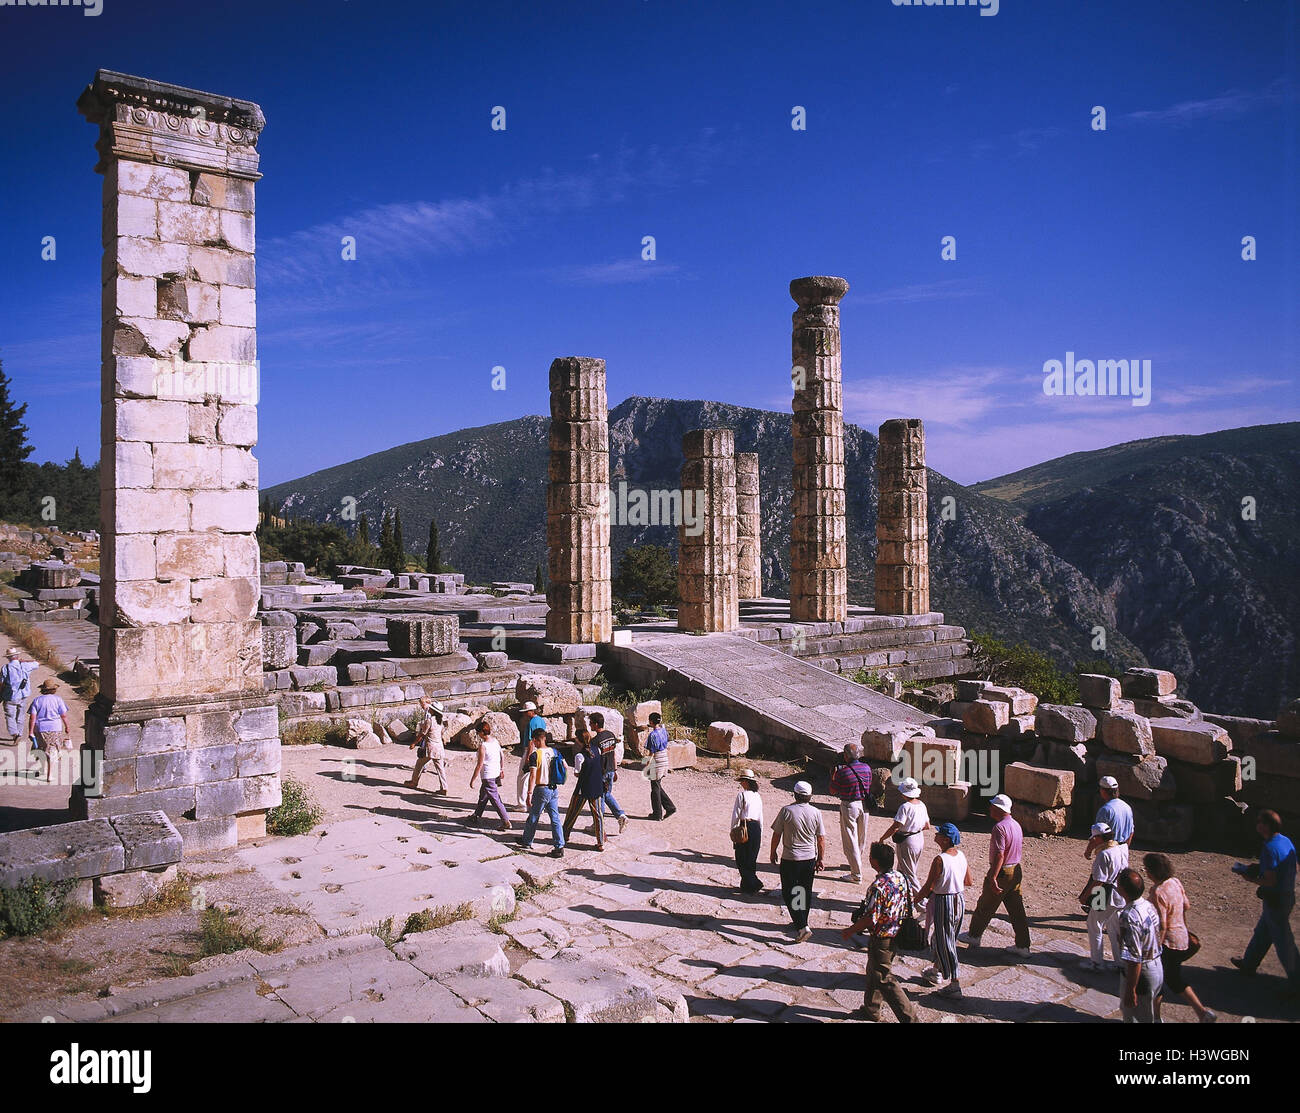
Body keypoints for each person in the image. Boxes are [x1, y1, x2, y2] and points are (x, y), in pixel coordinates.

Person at [840, 841, 917, 1023]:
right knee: (873, 969)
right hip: (897, 932)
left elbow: (870, 918)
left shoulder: (878, 886)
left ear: (874, 861)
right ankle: (872, 1009)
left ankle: (910, 1018)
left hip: (882, 936)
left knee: (884, 978)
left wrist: (850, 931)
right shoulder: (901, 877)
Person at [1230, 809, 1299, 998]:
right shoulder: (1285, 840)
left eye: (1260, 822)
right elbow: (1292, 866)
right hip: (1285, 896)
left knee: (1284, 944)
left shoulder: (1269, 848)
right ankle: (1249, 964)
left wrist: (1249, 877)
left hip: (1275, 899)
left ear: (1266, 826)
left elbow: (1270, 880)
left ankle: (1296, 982)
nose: (1257, 825)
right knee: (1263, 931)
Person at [1144, 852, 1216, 1022]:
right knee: (1175, 979)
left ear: (1153, 872)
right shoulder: (1175, 882)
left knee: (1157, 981)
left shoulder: (1157, 892)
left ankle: (1156, 1018)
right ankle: (1202, 1012)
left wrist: (1155, 949)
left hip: (1167, 942)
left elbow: (1162, 924)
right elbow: (1186, 905)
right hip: (1182, 937)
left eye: (1147, 869)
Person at [963, 794, 1031, 955]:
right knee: (1016, 910)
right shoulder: (1016, 825)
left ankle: (974, 935)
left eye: (992, 807)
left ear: (999, 809)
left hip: (1002, 871)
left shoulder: (999, 828)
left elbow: (1000, 854)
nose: (989, 809)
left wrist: (993, 876)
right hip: (1015, 869)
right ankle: (1023, 945)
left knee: (985, 905)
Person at [913, 822, 972, 998]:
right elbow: (969, 881)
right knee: (944, 937)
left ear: (945, 840)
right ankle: (937, 970)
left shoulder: (940, 860)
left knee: (946, 942)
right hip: (959, 900)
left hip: (944, 901)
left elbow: (929, 886)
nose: (936, 834)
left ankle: (955, 983)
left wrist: (913, 901)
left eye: (939, 834)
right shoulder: (961, 855)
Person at [769, 780, 825, 942]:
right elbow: (821, 838)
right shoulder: (816, 812)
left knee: (789, 892)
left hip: (790, 857)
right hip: (809, 858)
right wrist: (820, 858)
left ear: (795, 794)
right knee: (804, 891)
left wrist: (773, 852)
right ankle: (802, 921)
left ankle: (802, 926)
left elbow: (777, 834)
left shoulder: (786, 811)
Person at [1115, 867, 1163, 1023]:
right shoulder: (1148, 905)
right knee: (1150, 1015)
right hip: (1156, 964)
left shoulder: (1129, 917)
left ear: (1122, 889)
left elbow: (1134, 958)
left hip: (1141, 972)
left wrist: (1131, 990)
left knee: (1135, 1016)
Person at [1079, 821, 1127, 970]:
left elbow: (1099, 880)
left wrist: (1085, 896)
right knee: (1114, 928)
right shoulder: (1122, 848)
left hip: (1103, 893)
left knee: (1094, 924)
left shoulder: (1104, 854)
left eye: (1094, 838)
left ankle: (1097, 962)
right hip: (1121, 892)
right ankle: (1121, 962)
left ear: (1099, 838)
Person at [518, 728, 566, 859]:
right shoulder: (555, 751)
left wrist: (529, 793)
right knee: (555, 818)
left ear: (535, 740)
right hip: (553, 788)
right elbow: (565, 766)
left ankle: (527, 841)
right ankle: (559, 845)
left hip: (541, 788)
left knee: (533, 816)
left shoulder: (535, 755)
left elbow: (533, 776)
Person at [829, 742, 873, 883]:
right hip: (865, 805)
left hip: (850, 805)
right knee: (861, 837)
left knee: (850, 839)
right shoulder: (867, 768)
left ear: (846, 756)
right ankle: (856, 862)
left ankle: (856, 874)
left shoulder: (843, 772)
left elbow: (833, 790)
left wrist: (834, 776)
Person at [880, 777, 931, 898]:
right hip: (919, 838)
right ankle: (900, 897)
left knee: (909, 873)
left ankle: (922, 905)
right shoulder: (921, 805)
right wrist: (914, 828)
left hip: (907, 841)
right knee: (902, 870)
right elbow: (927, 825)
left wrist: (882, 838)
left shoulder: (905, 807)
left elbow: (895, 827)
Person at [463, 719, 511, 831]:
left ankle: (505, 821)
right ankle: (476, 815)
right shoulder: (495, 741)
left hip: (487, 775)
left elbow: (479, 764)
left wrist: (473, 779)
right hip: (495, 773)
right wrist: (501, 769)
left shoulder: (483, 746)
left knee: (495, 799)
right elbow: (502, 756)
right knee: (483, 796)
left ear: (481, 733)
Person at [562, 729, 606, 850]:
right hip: (596, 786)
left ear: (578, 740)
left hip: (583, 787)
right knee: (598, 814)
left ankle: (564, 834)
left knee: (572, 812)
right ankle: (601, 841)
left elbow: (577, 773)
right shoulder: (597, 749)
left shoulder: (579, 756)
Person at [590, 712, 628, 834]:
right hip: (611, 769)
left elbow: (595, 760)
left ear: (596, 724)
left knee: (600, 798)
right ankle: (620, 815)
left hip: (601, 772)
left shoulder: (595, 741)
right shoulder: (610, 735)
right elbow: (613, 753)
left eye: (591, 723)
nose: (589, 725)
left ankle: (598, 825)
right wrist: (615, 769)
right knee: (606, 795)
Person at [28, 678, 72, 784]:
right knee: (52, 751)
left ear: (43, 689)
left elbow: (32, 717)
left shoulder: (37, 700)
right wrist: (67, 726)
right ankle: (50, 775)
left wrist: (30, 731)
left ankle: (43, 769)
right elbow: (64, 715)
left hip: (40, 728)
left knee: (42, 749)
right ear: (54, 690)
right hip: (55, 728)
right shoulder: (58, 699)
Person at [731, 769, 764, 894]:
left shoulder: (742, 795)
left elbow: (736, 814)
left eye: (742, 781)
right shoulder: (758, 796)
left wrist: (733, 829)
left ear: (745, 782)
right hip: (756, 827)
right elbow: (760, 815)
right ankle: (746, 886)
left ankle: (754, 883)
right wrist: (761, 830)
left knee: (740, 858)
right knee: (751, 858)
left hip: (744, 826)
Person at [405, 698, 448, 794]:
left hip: (431, 748)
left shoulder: (430, 720)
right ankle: (444, 788)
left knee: (419, 763)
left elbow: (422, 734)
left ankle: (413, 782)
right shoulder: (440, 721)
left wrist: (414, 743)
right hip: (439, 748)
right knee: (440, 768)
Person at [1089, 776, 1135, 864]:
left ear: (1103, 791)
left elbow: (1097, 834)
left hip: (1109, 850)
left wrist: (1088, 851)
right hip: (1123, 850)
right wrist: (1125, 848)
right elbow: (1131, 831)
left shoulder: (1105, 810)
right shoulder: (1127, 807)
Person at [644, 712, 677, 821]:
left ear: (651, 722)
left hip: (657, 760)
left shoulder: (652, 735)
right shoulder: (663, 730)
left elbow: (651, 752)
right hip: (664, 758)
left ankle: (657, 814)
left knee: (654, 788)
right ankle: (670, 807)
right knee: (657, 785)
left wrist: (646, 763)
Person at [2, 646, 38, 742]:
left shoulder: (5, 668)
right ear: (17, 656)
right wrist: (26, 661)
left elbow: (2, 683)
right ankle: (20, 733)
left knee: (10, 716)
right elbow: (37, 663)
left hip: (10, 696)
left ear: (8, 657)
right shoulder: (25, 665)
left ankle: (15, 734)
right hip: (23, 695)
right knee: (20, 716)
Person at [515, 702, 546, 807]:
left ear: (531, 711)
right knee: (536, 777)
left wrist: (528, 757)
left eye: (525, 712)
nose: (524, 715)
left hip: (531, 750)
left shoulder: (531, 723)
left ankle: (522, 803)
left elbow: (531, 741)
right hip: (540, 750)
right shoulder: (541, 721)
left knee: (523, 777)